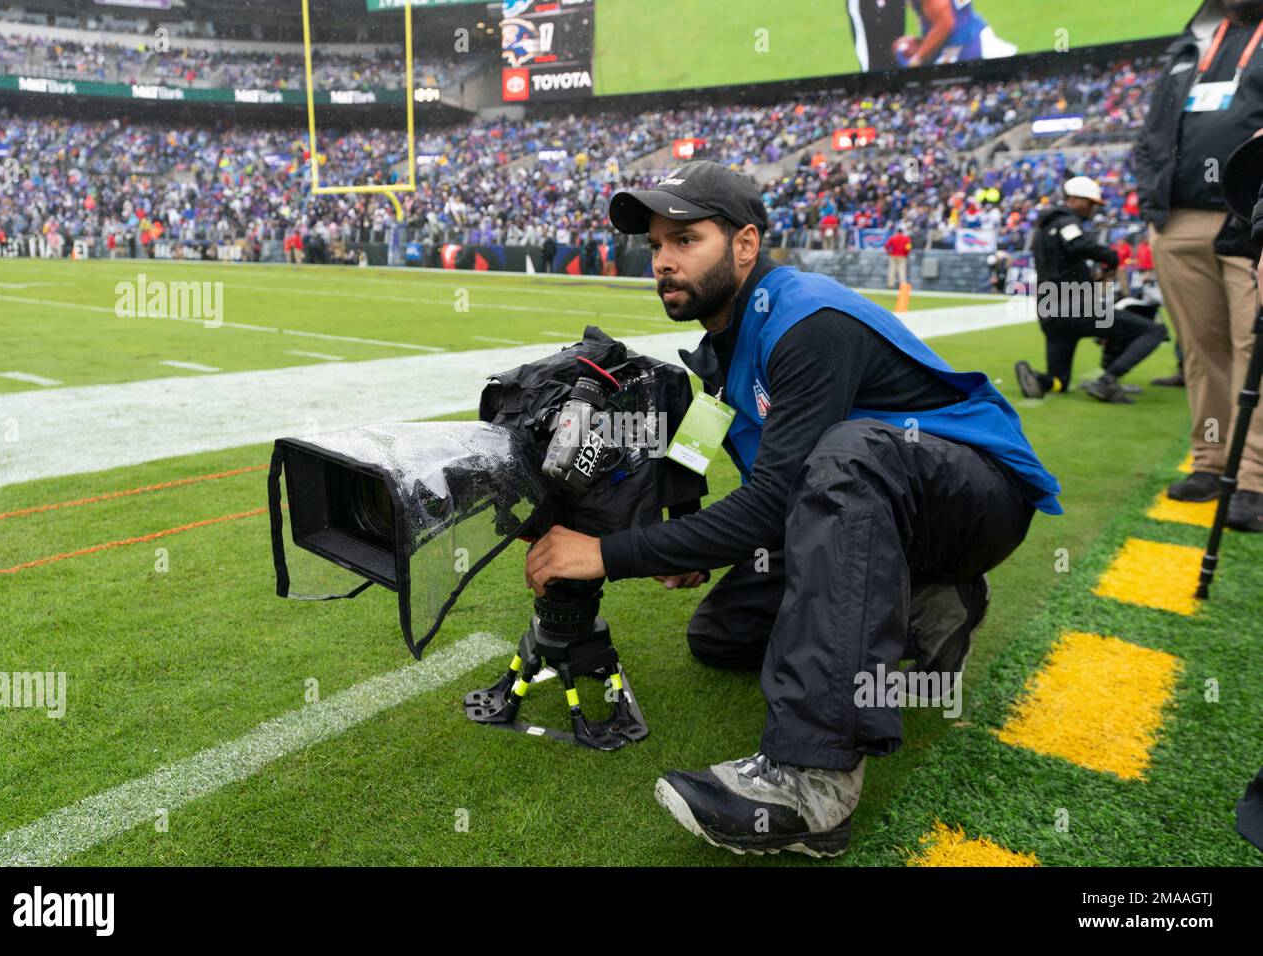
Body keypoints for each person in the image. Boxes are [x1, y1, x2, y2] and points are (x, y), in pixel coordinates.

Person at [521, 161, 1060, 858]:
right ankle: (932, 604)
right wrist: (683, 534)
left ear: (745, 245)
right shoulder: (724, 345)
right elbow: (730, 469)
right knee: (722, 635)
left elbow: (779, 499)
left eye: (685, 240)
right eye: (656, 245)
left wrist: (606, 554)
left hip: (976, 498)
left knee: (845, 455)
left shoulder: (807, 320)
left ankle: (813, 781)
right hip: (889, 509)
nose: (663, 262)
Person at [1135, 0, 1263, 529]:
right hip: (1179, 218)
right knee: (1200, 352)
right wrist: (1151, 202)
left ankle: (1253, 478)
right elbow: (1154, 130)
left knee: (1254, 347)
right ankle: (1211, 462)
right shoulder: (1190, 46)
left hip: (1251, 217)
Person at [1014, 176, 1168, 404]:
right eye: (1090, 202)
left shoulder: (1043, 229)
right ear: (1074, 199)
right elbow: (1078, 244)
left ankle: (1040, 380)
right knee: (1153, 331)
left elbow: (1063, 268)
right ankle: (1108, 379)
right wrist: (1112, 257)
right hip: (1074, 310)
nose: (1093, 208)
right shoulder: (1066, 221)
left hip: (1050, 312)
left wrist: (1093, 278)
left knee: (1059, 380)